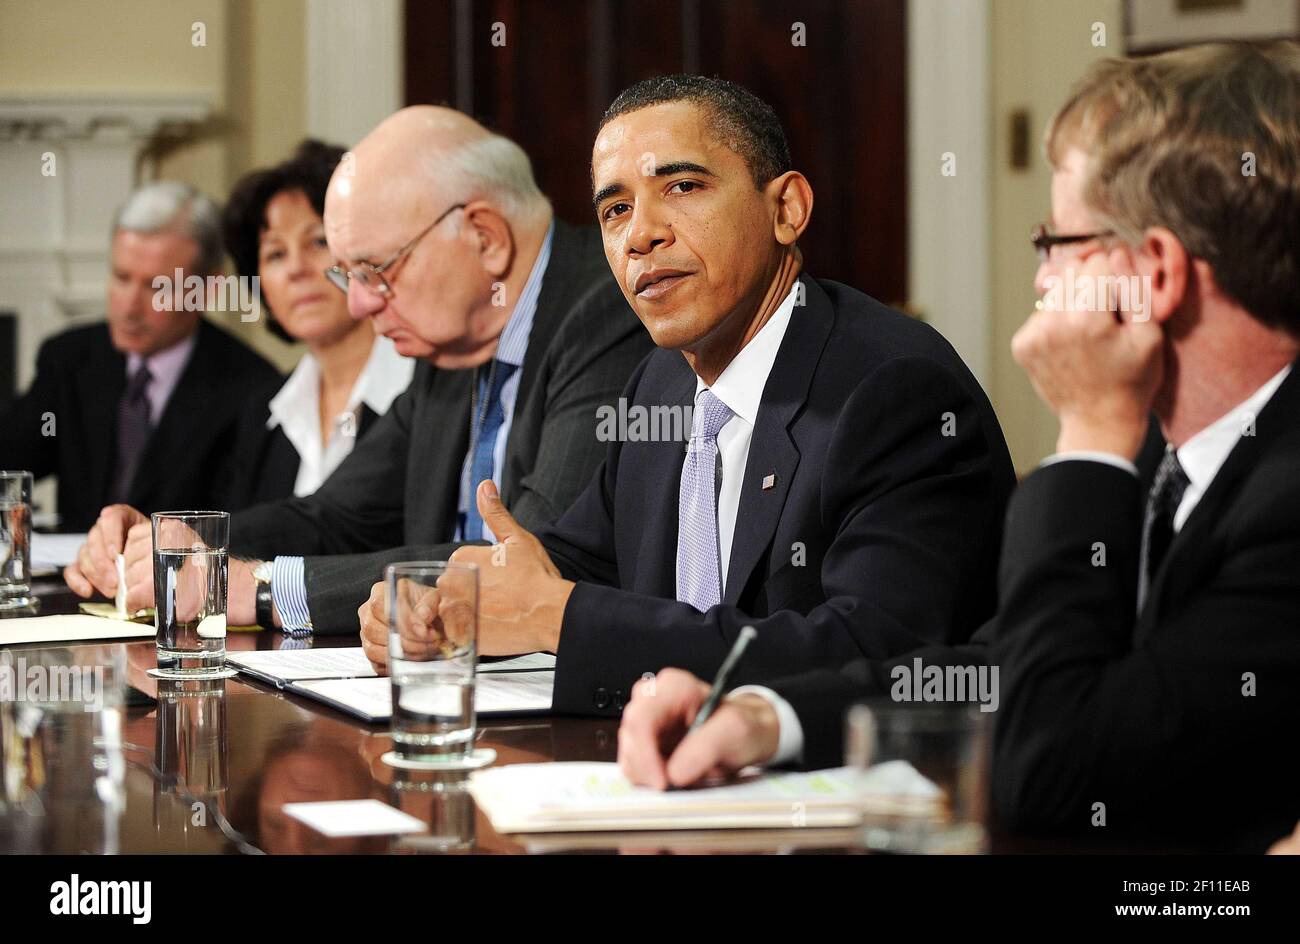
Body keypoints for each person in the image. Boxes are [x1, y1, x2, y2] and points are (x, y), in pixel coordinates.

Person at [616, 43, 1300, 853]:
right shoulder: (1171, 456)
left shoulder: (1273, 494)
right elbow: (997, 667)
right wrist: (772, 717)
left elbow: (1052, 771)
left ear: (1151, 273)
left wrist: (1086, 435)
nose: (1043, 284)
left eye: (1060, 245)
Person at [358, 76, 1015, 718]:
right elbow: (580, 566)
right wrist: (445, 603)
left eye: (681, 187)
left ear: (786, 209)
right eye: (615, 210)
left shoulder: (896, 392)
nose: (640, 235)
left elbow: (875, 654)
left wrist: (553, 615)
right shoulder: (661, 382)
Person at [64, 107, 653, 633]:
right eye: (351, 276)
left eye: (376, 271)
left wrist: (260, 589)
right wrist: (181, 545)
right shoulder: (450, 345)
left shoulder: (607, 311)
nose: (359, 305)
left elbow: (530, 561)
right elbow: (336, 516)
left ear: (485, 237)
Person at [0, 182, 278, 531]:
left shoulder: (251, 388)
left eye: (157, 287)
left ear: (207, 289)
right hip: (73, 578)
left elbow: (238, 528)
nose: (129, 306)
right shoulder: (69, 359)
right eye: (121, 277)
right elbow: (10, 460)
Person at [218, 139, 414, 508]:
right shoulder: (262, 413)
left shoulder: (423, 389)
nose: (296, 269)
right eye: (276, 254)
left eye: (318, 242)